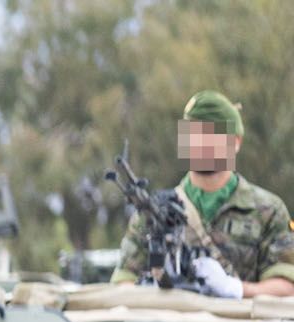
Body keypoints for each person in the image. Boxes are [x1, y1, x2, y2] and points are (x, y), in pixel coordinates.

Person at [110, 90, 294, 298]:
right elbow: (122, 282)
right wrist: (154, 293)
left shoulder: (268, 210)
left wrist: (237, 289)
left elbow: (287, 287)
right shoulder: (155, 210)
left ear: (236, 142)